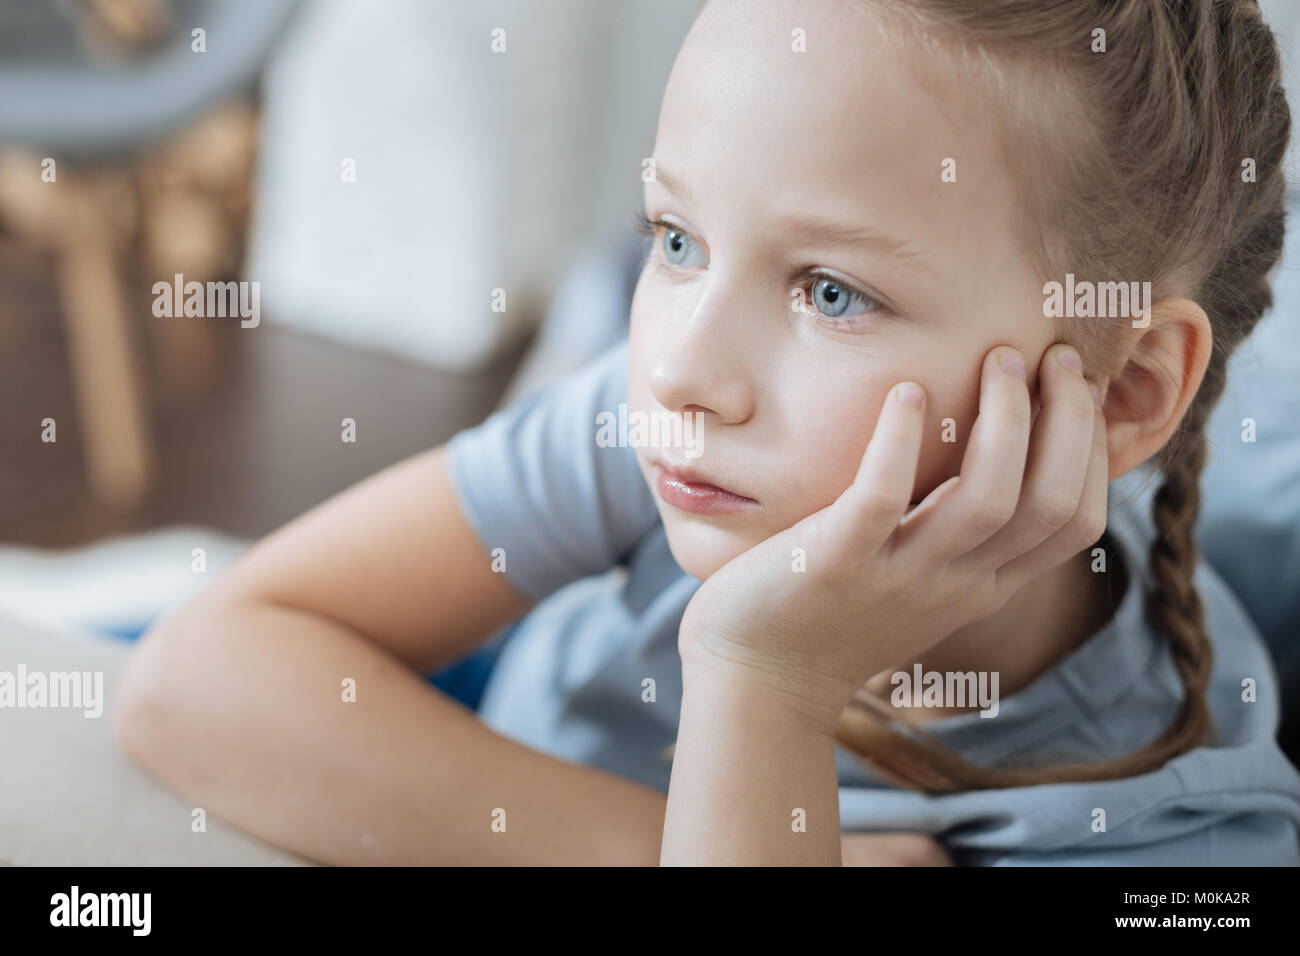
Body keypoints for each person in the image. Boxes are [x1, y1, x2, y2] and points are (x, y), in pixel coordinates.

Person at [114, 0, 1300, 865]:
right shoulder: (676, 431)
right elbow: (186, 678)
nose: (682, 368)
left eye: (830, 292)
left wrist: (761, 687)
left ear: (1128, 388)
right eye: (675, 238)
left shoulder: (1184, 845)